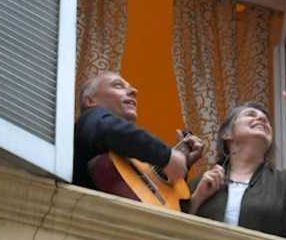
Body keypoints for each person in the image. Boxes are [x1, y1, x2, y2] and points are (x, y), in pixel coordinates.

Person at [184, 76, 286, 240]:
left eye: (266, 120)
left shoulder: (285, 182)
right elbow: (174, 231)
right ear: (227, 134)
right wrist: (197, 198)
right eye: (250, 114)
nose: (262, 119)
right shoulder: (203, 183)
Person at [73, 71, 202, 190]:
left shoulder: (125, 153)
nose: (134, 91)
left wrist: (182, 164)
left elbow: (159, 202)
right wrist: (166, 156)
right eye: (118, 86)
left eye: (130, 87)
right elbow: (112, 130)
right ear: (90, 101)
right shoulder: (90, 119)